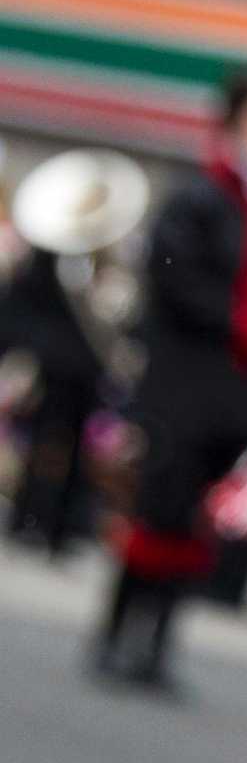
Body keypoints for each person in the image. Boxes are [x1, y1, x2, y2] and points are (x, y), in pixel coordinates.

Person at [93, 69, 247, 690]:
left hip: (240, 389)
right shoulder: (202, 196)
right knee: (159, 505)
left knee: (195, 518)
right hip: (186, 380)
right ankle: (117, 635)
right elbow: (173, 279)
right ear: (241, 124)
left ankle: (158, 644)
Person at [1, 235, 111, 557]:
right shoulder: (49, 256)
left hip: (88, 364)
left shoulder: (105, 258)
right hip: (54, 361)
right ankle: (30, 517)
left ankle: (64, 525)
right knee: (43, 442)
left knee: (80, 448)